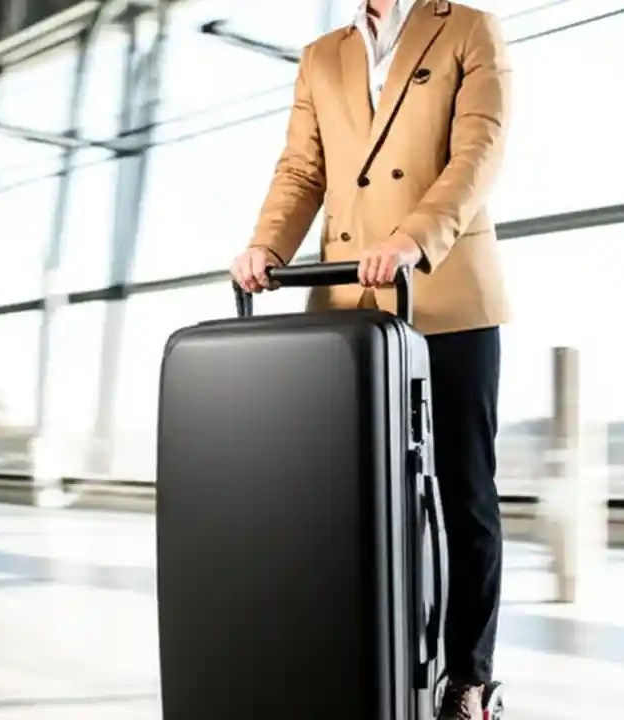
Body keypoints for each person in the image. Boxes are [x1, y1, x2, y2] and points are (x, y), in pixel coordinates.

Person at [228, 0, 511, 716]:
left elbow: (478, 152)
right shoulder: (323, 55)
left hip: (446, 293)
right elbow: (303, 169)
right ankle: (354, 656)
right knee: (341, 496)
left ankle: (469, 678)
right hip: (347, 304)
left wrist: (414, 238)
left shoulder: (467, 28)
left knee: (463, 493)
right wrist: (267, 244)